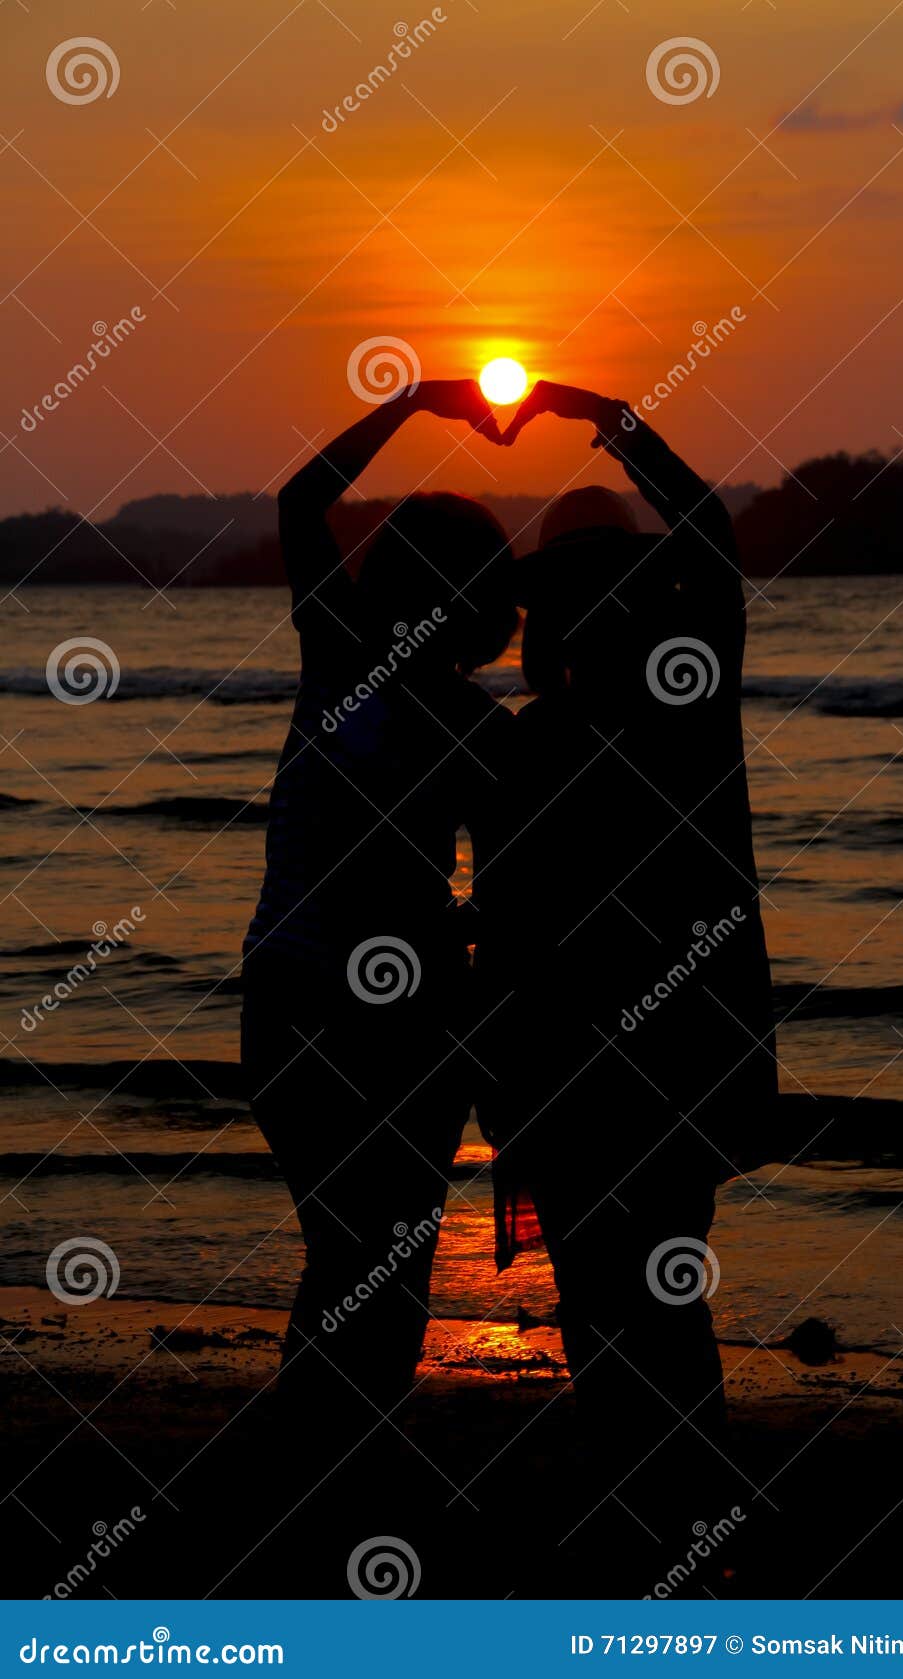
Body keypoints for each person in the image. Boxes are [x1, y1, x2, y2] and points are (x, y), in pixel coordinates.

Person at [474, 383, 777, 1590]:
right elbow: (710, 530)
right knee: (655, 1280)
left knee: (612, 1293)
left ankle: (651, 1507)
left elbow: (501, 924)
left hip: (575, 1055)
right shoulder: (687, 707)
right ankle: (678, 1513)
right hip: (672, 1052)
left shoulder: (541, 737)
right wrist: (602, 414)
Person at [241, 381, 516, 1468]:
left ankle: (303, 1479)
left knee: (344, 1258)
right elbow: (506, 894)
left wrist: (411, 401)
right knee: (380, 1275)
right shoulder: (473, 728)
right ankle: (313, 1479)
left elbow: (302, 500)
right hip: (395, 1022)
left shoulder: (339, 664)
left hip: (293, 998)